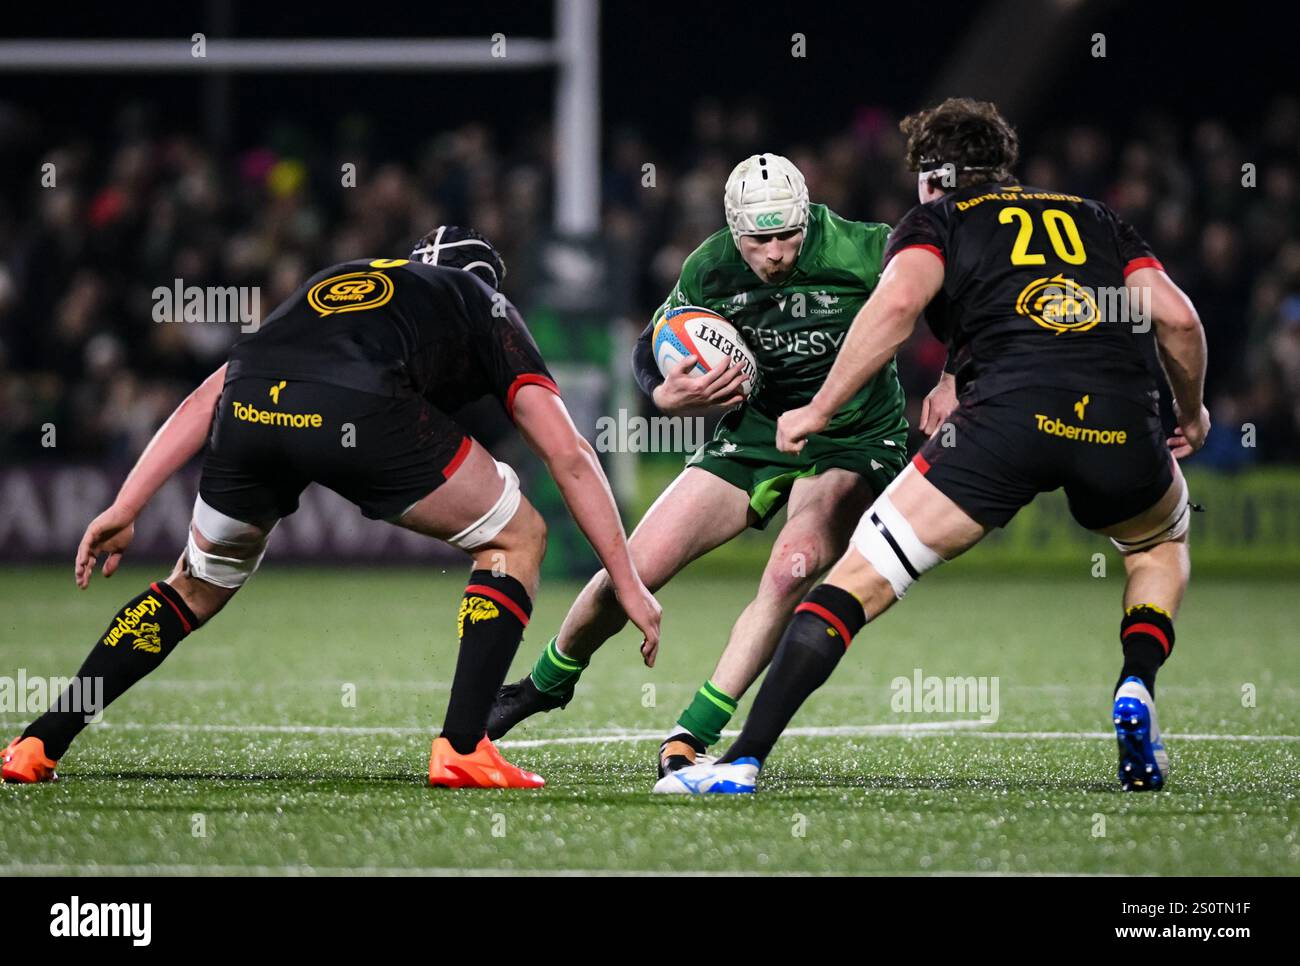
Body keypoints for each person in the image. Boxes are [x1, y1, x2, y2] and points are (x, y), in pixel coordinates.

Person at [658, 99, 1209, 795]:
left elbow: (893, 308)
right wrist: (1191, 412)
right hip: (1121, 418)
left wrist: (818, 408)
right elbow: (1179, 320)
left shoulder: (938, 219)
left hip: (1004, 421)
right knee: (1159, 547)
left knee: (856, 583)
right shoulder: (1099, 218)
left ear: (930, 177)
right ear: (1002, 168)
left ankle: (742, 760)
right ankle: (1136, 684)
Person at [2, 226, 660, 789]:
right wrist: (626, 581)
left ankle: (38, 743)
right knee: (516, 537)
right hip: (359, 408)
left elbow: (214, 391)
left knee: (193, 587)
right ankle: (463, 748)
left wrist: (126, 503)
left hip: (252, 408)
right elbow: (568, 454)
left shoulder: (337, 282)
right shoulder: (483, 302)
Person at [486, 154, 913, 782]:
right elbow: (648, 349)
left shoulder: (865, 247)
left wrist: (957, 375)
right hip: (755, 432)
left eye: (788, 233)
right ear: (734, 230)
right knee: (632, 569)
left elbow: (952, 297)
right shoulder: (710, 266)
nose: (775, 253)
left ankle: (693, 734)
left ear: (808, 215)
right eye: (758, 240)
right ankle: (543, 685)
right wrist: (663, 395)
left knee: (791, 565)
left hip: (855, 436)